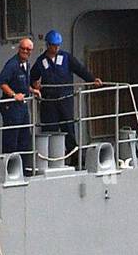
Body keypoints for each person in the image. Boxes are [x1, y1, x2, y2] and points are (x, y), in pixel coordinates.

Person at [29, 30, 103, 167]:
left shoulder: (66, 58)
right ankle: (49, 160)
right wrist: (34, 86)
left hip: (65, 99)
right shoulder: (41, 61)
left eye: (58, 45)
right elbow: (32, 77)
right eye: (53, 45)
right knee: (49, 129)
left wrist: (92, 80)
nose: (56, 48)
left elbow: (80, 69)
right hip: (49, 101)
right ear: (48, 45)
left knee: (69, 128)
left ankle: (75, 158)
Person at [0, 37, 35, 176]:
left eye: (28, 49)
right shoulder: (12, 64)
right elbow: (1, 82)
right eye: (23, 48)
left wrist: (31, 90)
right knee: (11, 140)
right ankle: (10, 171)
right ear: (19, 49)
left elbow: (22, 83)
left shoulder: (26, 65)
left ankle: (23, 170)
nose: (25, 51)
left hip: (22, 107)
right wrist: (13, 95)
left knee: (24, 139)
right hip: (11, 107)